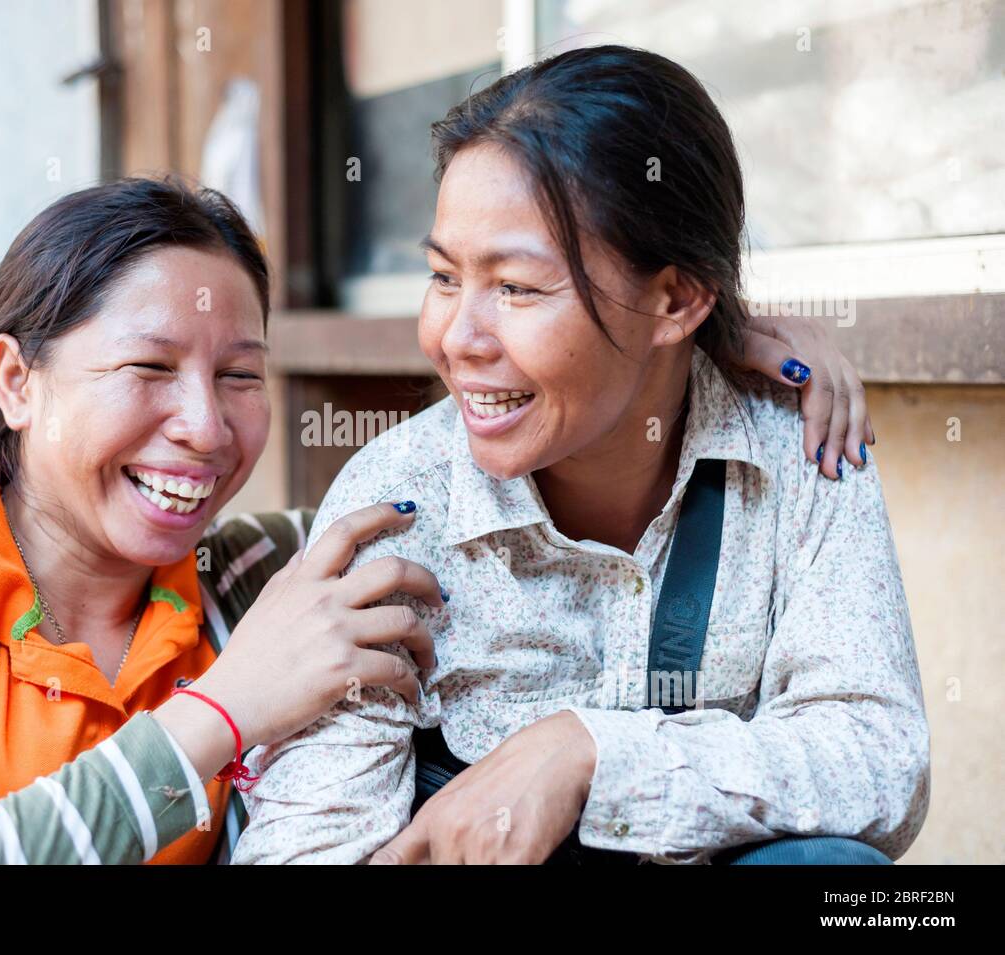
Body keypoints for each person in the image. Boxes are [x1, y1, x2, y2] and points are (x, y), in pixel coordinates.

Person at [0, 163, 879, 865]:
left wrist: (698, 348)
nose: (204, 429)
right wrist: (221, 714)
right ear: (18, 378)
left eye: (237, 375)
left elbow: (499, 468)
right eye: (149, 369)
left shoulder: (253, 570)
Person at [232, 45, 929, 865]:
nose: (455, 340)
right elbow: (305, 847)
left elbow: (882, 758)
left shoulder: (801, 441)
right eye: (443, 276)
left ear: (675, 299)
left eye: (518, 288)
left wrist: (590, 753)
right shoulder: (397, 501)